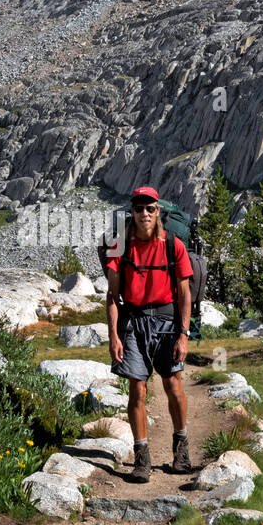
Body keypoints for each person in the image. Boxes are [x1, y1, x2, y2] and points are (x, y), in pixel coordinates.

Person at [105, 186, 193, 483]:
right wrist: (113, 337)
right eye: (139, 208)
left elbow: (184, 294)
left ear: (158, 212)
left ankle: (181, 447)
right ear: (132, 211)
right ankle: (141, 456)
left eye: (150, 208)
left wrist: (183, 334)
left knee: (173, 387)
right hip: (133, 322)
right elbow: (112, 297)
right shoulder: (120, 246)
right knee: (137, 390)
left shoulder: (174, 245)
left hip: (167, 321)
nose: (144, 213)